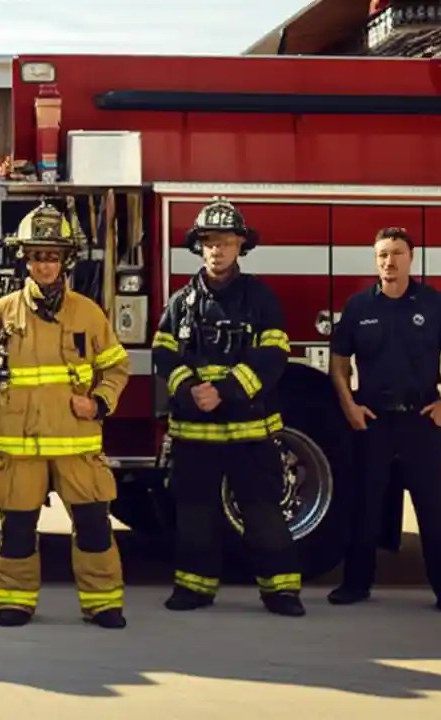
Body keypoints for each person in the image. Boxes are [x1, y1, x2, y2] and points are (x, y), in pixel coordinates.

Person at [0, 201, 131, 629]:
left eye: (52, 256)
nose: (45, 265)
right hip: (20, 448)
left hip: (77, 445)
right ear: (25, 260)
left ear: (66, 260)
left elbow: (116, 366)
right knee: (17, 531)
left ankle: (103, 604)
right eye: (36, 255)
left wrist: (100, 402)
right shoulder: (1, 314)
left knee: (93, 529)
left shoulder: (88, 314)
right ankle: (14, 602)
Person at [151, 196, 305, 617]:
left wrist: (226, 391)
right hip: (195, 434)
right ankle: (194, 589)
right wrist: (190, 391)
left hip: (250, 432)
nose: (217, 250)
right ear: (199, 247)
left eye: (225, 242)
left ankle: (281, 592)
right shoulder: (181, 302)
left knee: (262, 513)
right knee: (195, 514)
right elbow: (164, 353)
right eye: (209, 242)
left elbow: (275, 353)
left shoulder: (260, 298)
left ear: (241, 246)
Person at [327, 226, 441, 614]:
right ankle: (356, 584)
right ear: (376, 260)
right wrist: (349, 406)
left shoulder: (434, 304)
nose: (389, 262)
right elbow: (338, 363)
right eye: (382, 255)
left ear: (411, 258)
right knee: (365, 507)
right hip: (373, 420)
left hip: (421, 421)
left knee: (433, 509)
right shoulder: (359, 308)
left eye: (396, 254)